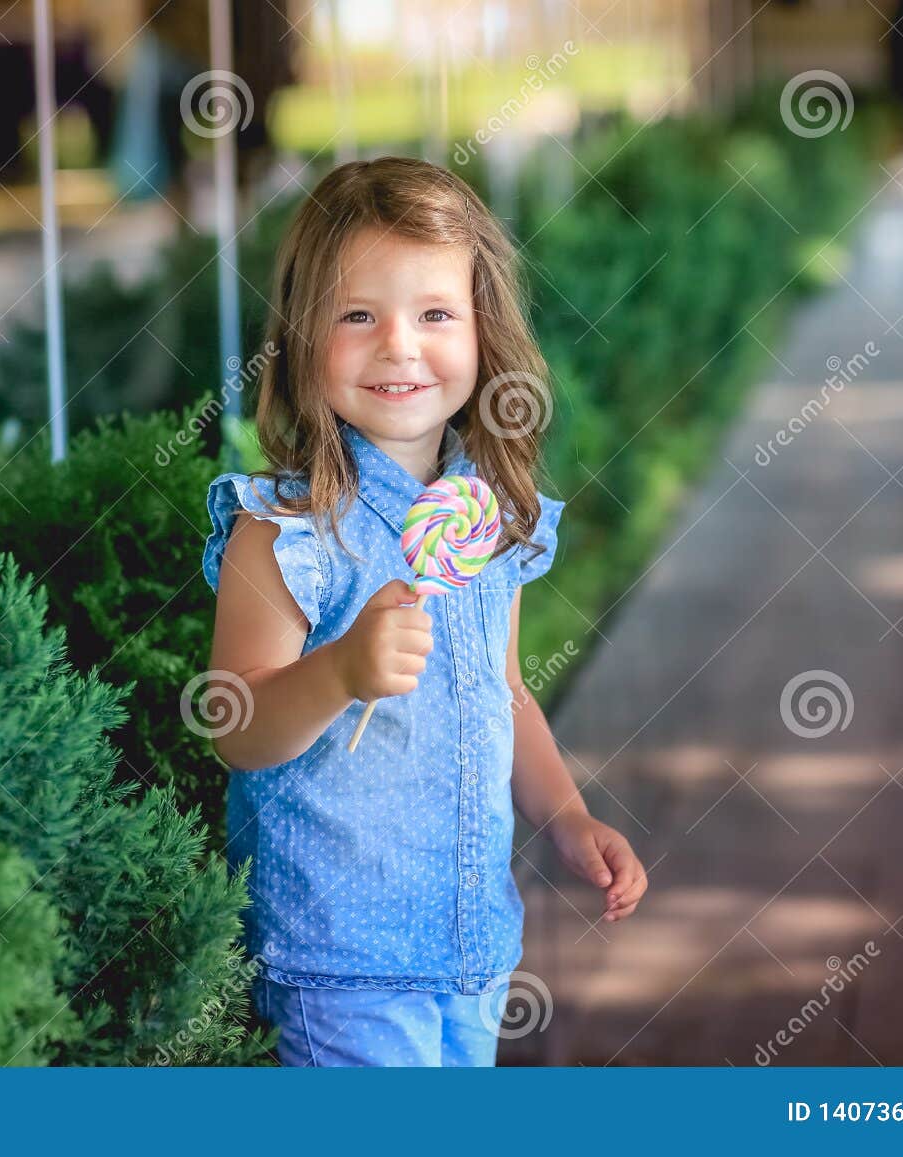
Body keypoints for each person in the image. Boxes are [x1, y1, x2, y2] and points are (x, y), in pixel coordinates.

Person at [199, 156, 647, 1066]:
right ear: (298, 336)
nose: (399, 346)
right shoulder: (289, 528)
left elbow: (504, 690)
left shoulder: (484, 512)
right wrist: (338, 670)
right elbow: (233, 721)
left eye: (435, 314)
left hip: (471, 941)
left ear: (486, 330)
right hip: (342, 957)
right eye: (357, 315)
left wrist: (565, 816)